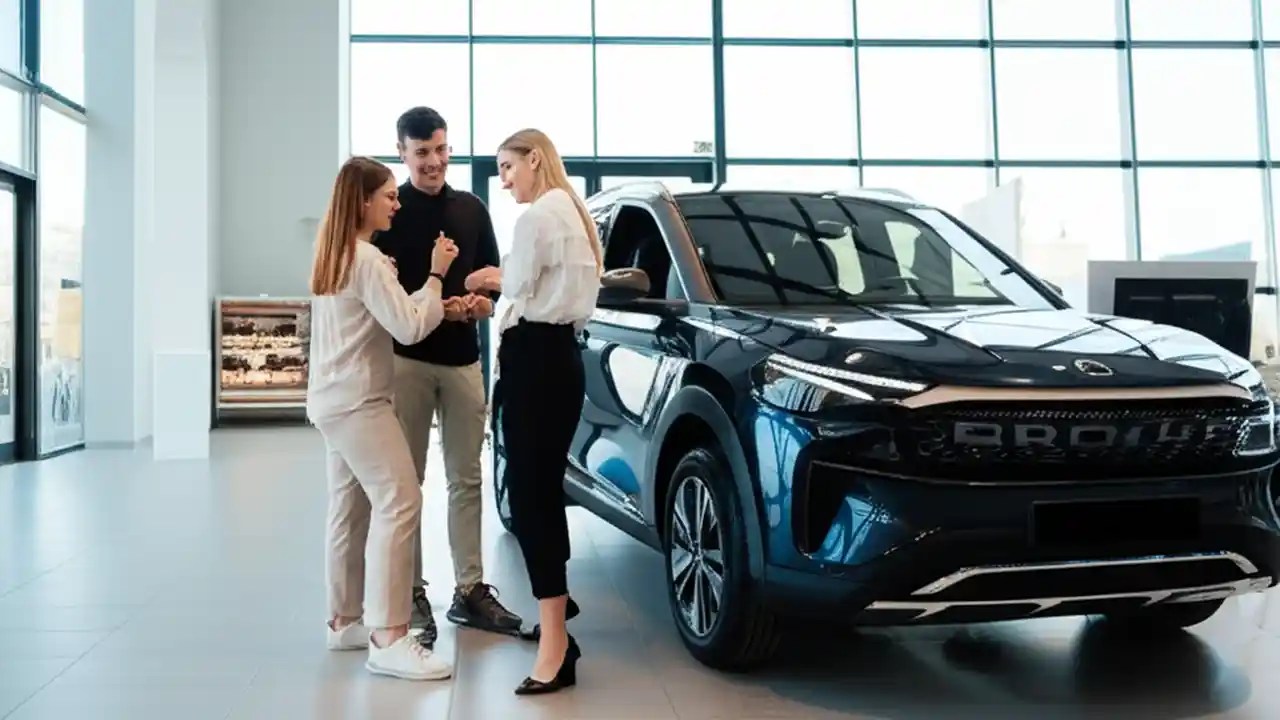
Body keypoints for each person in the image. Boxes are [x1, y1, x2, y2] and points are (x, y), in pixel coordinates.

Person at [373, 106, 522, 645]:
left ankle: (470, 591)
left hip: (463, 361)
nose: (433, 161)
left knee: (467, 478)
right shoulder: (389, 215)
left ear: (448, 148)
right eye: (421, 153)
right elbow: (383, 296)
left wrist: (478, 304)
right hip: (406, 363)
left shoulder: (472, 208)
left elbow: (495, 282)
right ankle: (410, 592)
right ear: (402, 154)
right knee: (406, 484)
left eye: (440, 149)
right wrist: (438, 304)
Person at [306, 155, 458, 681]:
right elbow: (411, 328)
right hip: (360, 402)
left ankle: (344, 619)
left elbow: (390, 314)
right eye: (389, 195)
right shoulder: (368, 260)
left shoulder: (334, 255)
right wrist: (437, 276)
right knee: (400, 499)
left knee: (349, 510)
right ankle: (389, 636)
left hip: (329, 400)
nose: (397, 202)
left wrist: (426, 298)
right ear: (364, 201)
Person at [464, 128, 602, 695]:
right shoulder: (574, 211)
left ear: (535, 159)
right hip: (559, 359)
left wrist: (483, 278)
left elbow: (515, 283)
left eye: (507, 166)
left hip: (536, 359)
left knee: (530, 497)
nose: (504, 179)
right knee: (540, 491)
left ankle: (554, 642)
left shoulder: (539, 216)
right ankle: (558, 611)